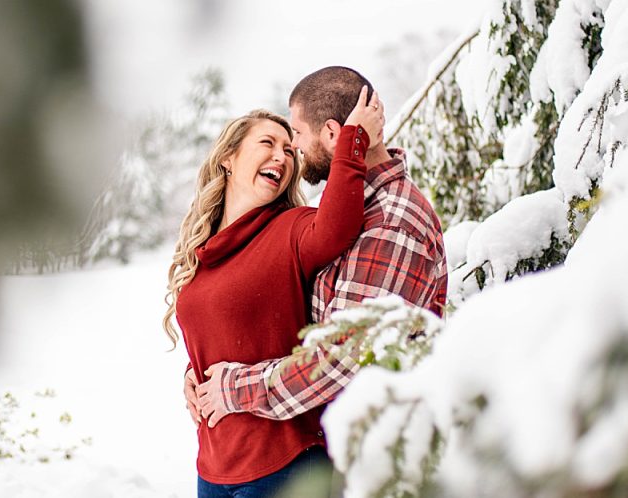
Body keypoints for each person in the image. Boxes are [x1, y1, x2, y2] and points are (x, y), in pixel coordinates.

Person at [191, 66, 447, 435]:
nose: (292, 149)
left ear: (330, 133)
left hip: (378, 450)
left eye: (296, 134)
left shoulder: (391, 222)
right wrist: (201, 368)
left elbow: (343, 359)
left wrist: (233, 389)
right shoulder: (357, 208)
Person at [164, 88, 385, 498]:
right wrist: (193, 374)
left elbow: (337, 226)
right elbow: (219, 328)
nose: (282, 157)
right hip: (213, 469)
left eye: (288, 149)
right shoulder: (204, 249)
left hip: (285, 464)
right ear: (228, 158)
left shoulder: (293, 228)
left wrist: (352, 139)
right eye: (267, 143)